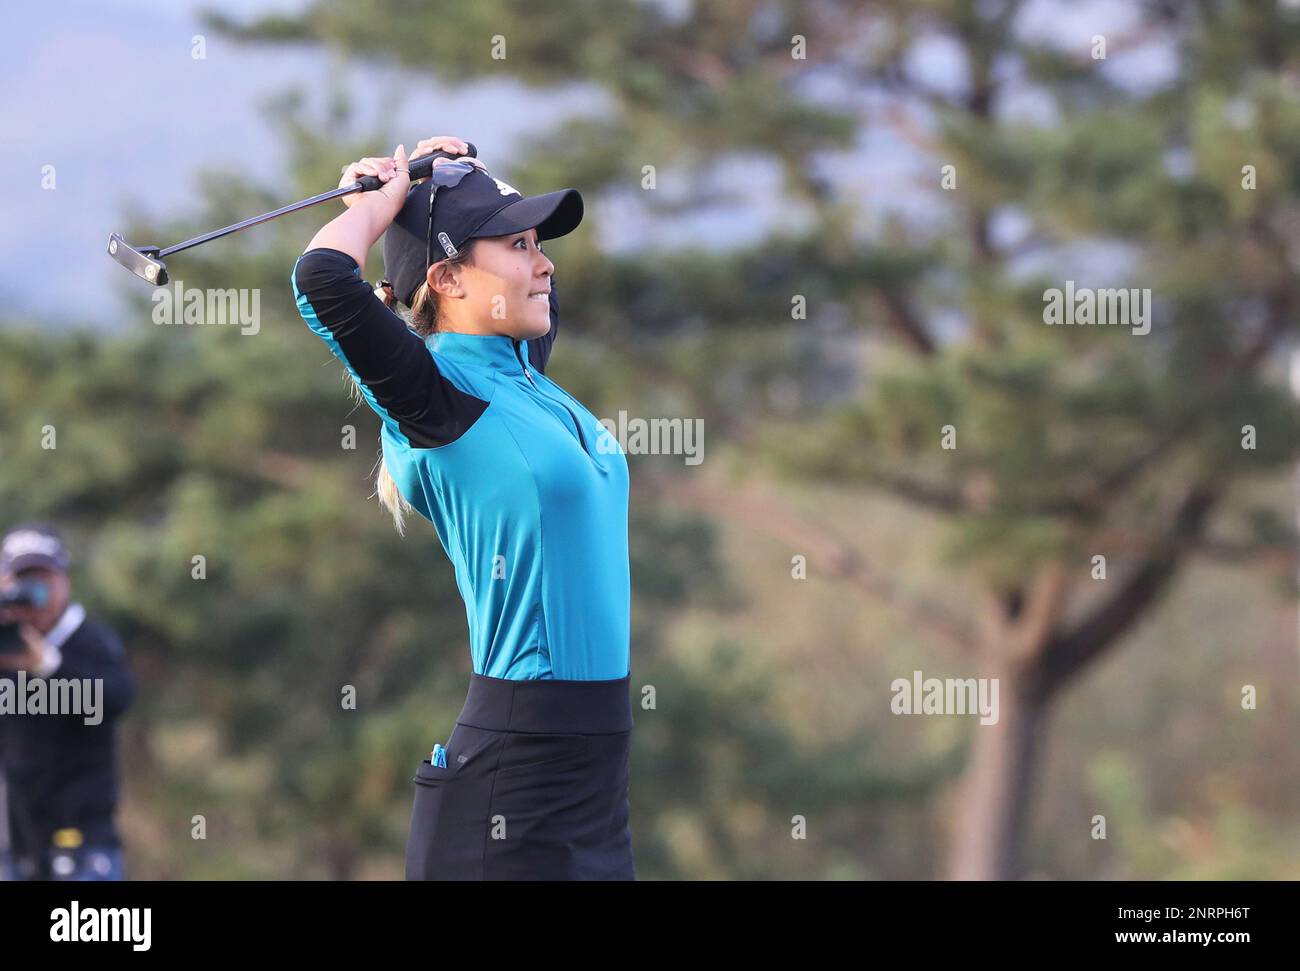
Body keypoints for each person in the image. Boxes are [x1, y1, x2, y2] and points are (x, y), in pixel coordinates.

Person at [290, 135, 634, 880]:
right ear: (446, 278)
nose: (544, 265)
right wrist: (378, 209)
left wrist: (458, 170)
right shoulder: (440, 395)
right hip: (515, 782)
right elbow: (321, 276)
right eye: (518, 245)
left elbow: (530, 293)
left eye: (538, 244)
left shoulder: (519, 372)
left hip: (598, 777)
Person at [0, 523, 135, 880]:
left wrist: (46, 666)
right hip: (15, 844)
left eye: (41, 580)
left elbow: (114, 699)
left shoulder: (91, 642)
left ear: (65, 581)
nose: (33, 595)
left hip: (84, 846)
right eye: (22, 582)